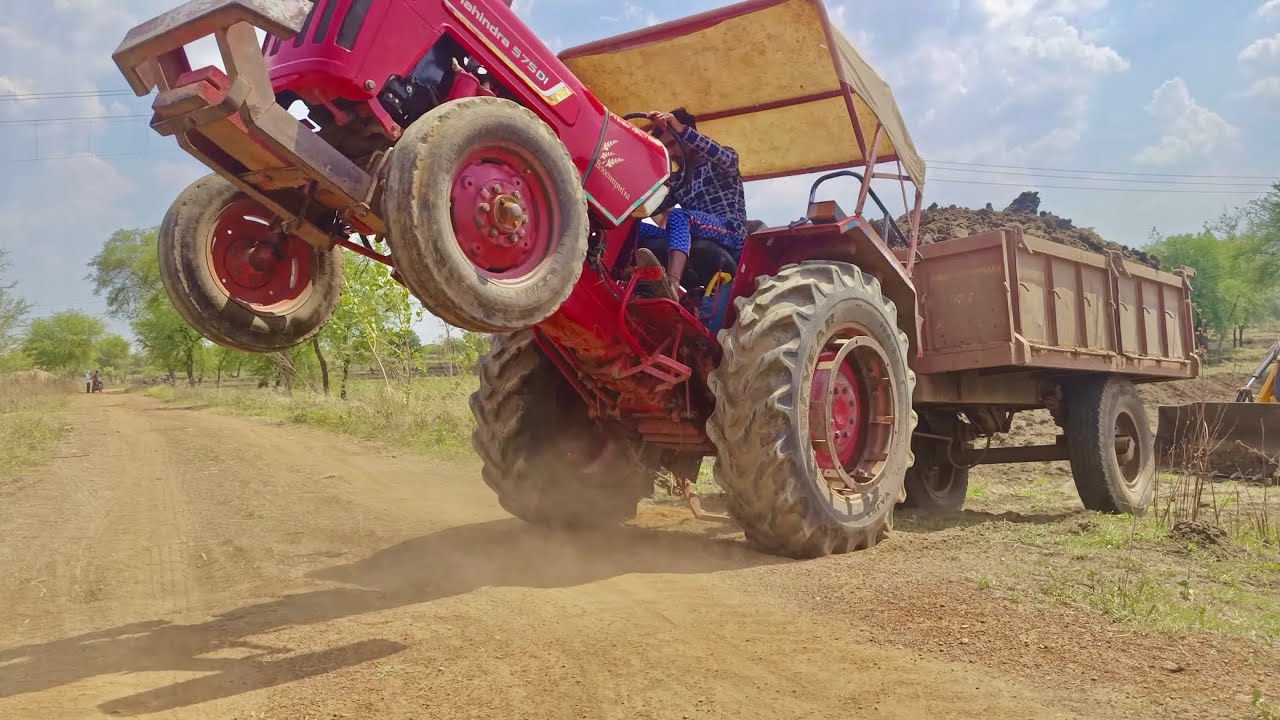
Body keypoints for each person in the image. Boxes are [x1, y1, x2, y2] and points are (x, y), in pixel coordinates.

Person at [634, 107, 747, 300]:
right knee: (635, 227)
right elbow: (646, 207)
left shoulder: (722, 161)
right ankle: (631, 277)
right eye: (666, 148)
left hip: (730, 231)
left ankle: (672, 284)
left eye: (673, 143)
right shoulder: (679, 179)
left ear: (687, 135)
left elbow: (726, 158)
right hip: (690, 233)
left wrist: (680, 128)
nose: (672, 152)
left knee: (679, 216)